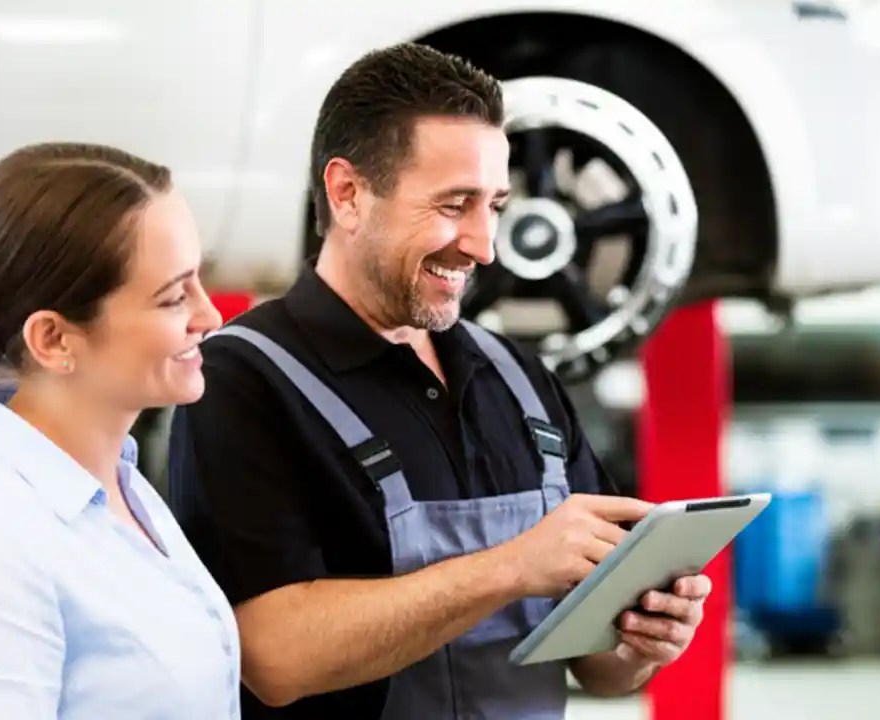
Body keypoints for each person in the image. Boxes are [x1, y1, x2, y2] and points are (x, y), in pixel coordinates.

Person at [167, 43, 712, 719]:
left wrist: (641, 642)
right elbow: (275, 659)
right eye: (455, 205)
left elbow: (597, 669)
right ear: (348, 193)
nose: (485, 245)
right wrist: (512, 566)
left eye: (496, 205)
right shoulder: (238, 380)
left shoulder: (521, 382)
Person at [0, 142, 240, 719]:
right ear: (55, 340)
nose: (209, 316)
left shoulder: (117, 486)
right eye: (173, 298)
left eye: (200, 280)